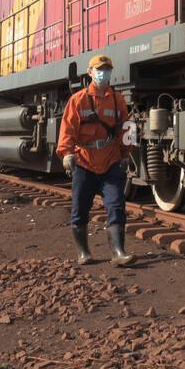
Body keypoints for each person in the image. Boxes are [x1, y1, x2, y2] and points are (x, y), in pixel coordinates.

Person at [56, 54, 133, 266]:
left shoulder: (118, 100)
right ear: (90, 72)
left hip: (110, 161)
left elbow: (128, 127)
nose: (103, 73)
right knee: (80, 209)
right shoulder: (78, 100)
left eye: (107, 69)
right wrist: (67, 153)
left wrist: (127, 153)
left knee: (116, 205)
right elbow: (68, 128)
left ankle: (118, 253)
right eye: (99, 69)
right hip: (84, 163)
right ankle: (84, 253)